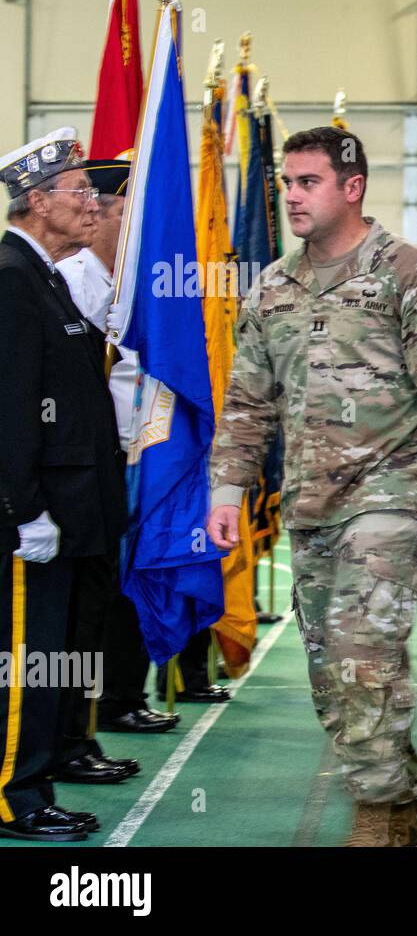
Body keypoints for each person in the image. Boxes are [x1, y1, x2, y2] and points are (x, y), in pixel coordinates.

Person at [206, 127, 417, 847]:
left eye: (308, 183)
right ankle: (396, 804)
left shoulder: (410, 274)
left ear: (352, 186)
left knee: (365, 653)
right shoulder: (274, 285)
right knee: (331, 669)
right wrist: (226, 489)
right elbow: (248, 401)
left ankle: (374, 812)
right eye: (287, 184)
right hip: (311, 503)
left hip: (388, 498)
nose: (292, 196)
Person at [0, 128, 127, 841]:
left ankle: (36, 779)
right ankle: (14, 792)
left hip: (72, 509)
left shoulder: (44, 274)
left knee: (51, 657)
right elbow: (10, 407)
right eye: (79, 192)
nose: (93, 205)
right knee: (26, 660)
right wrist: (23, 509)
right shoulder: (12, 279)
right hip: (35, 516)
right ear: (38, 200)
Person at [55, 159, 179, 745]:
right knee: (91, 597)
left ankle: (123, 696)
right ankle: (90, 715)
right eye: (131, 213)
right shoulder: (74, 280)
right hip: (93, 459)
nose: (141, 226)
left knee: (124, 583)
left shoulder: (131, 283)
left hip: (138, 453)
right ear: (99, 211)